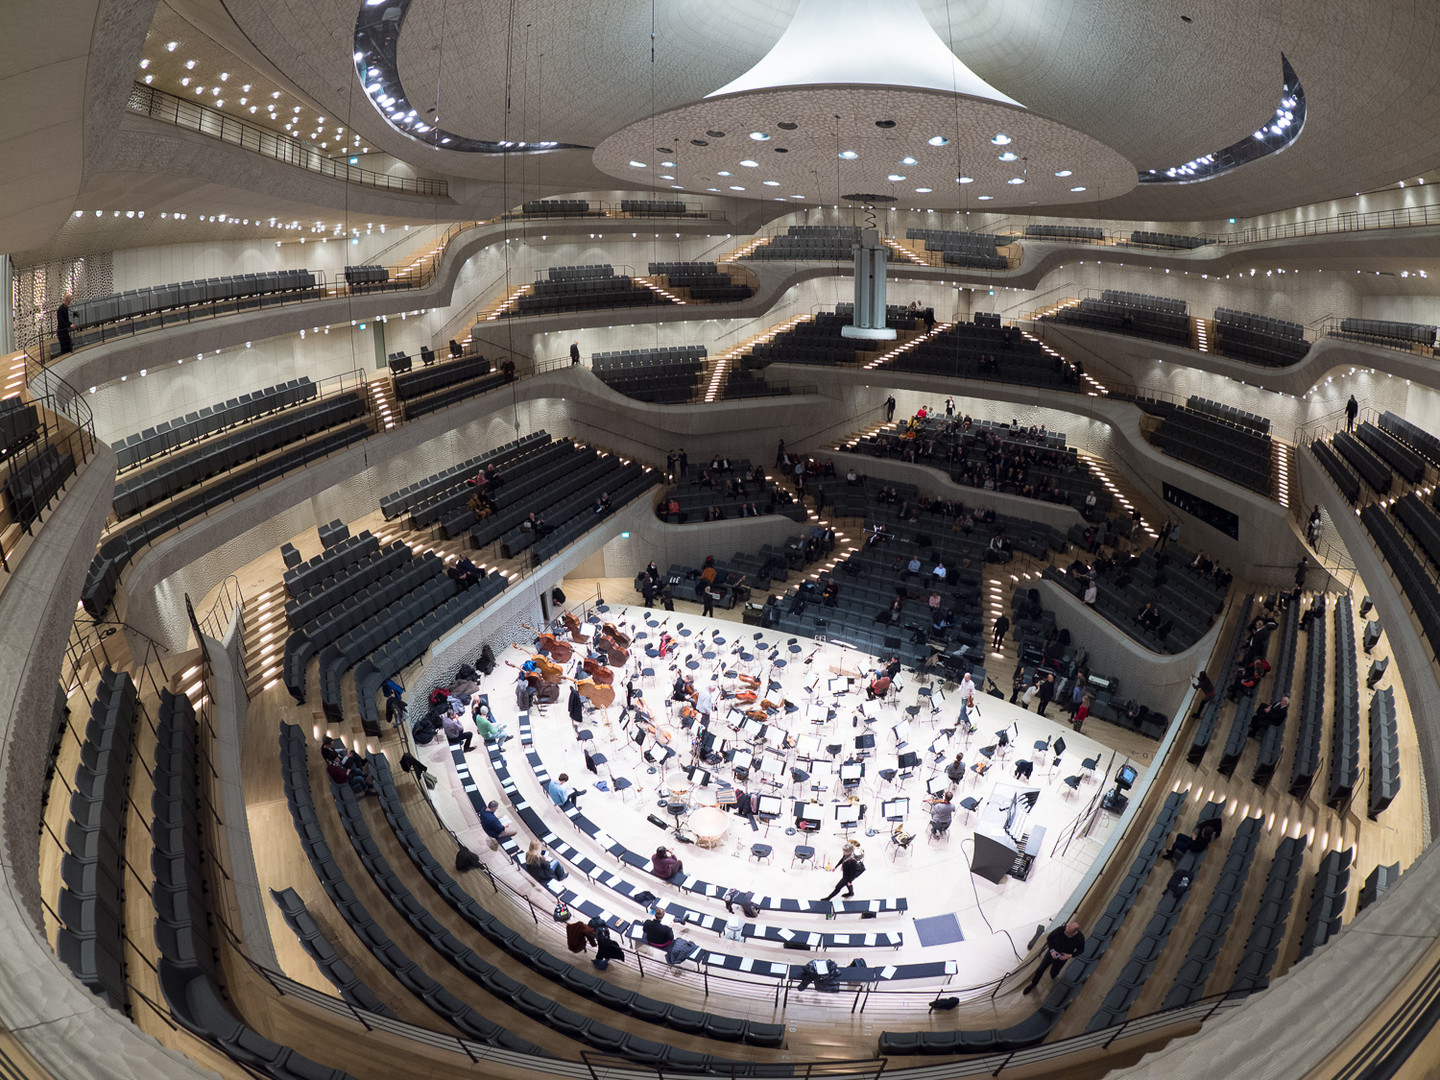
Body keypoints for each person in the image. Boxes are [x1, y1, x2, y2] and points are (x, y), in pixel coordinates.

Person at [1023, 919, 1086, 994]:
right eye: (1066, 929)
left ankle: (1053, 977)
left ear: (1074, 933)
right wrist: (1052, 950)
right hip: (1052, 952)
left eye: (1067, 933)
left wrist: (1070, 956)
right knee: (1041, 968)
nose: (1065, 932)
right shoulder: (1060, 930)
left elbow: (1081, 950)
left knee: (1055, 971)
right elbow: (1049, 938)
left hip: (1063, 956)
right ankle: (1033, 983)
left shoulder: (1080, 938)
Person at [55, 292, 74, 356]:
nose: (69, 304)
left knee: (69, 348)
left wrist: (71, 324)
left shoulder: (65, 308)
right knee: (64, 350)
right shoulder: (61, 309)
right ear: (66, 300)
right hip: (62, 332)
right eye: (68, 302)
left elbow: (66, 320)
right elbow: (61, 322)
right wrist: (70, 325)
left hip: (65, 331)